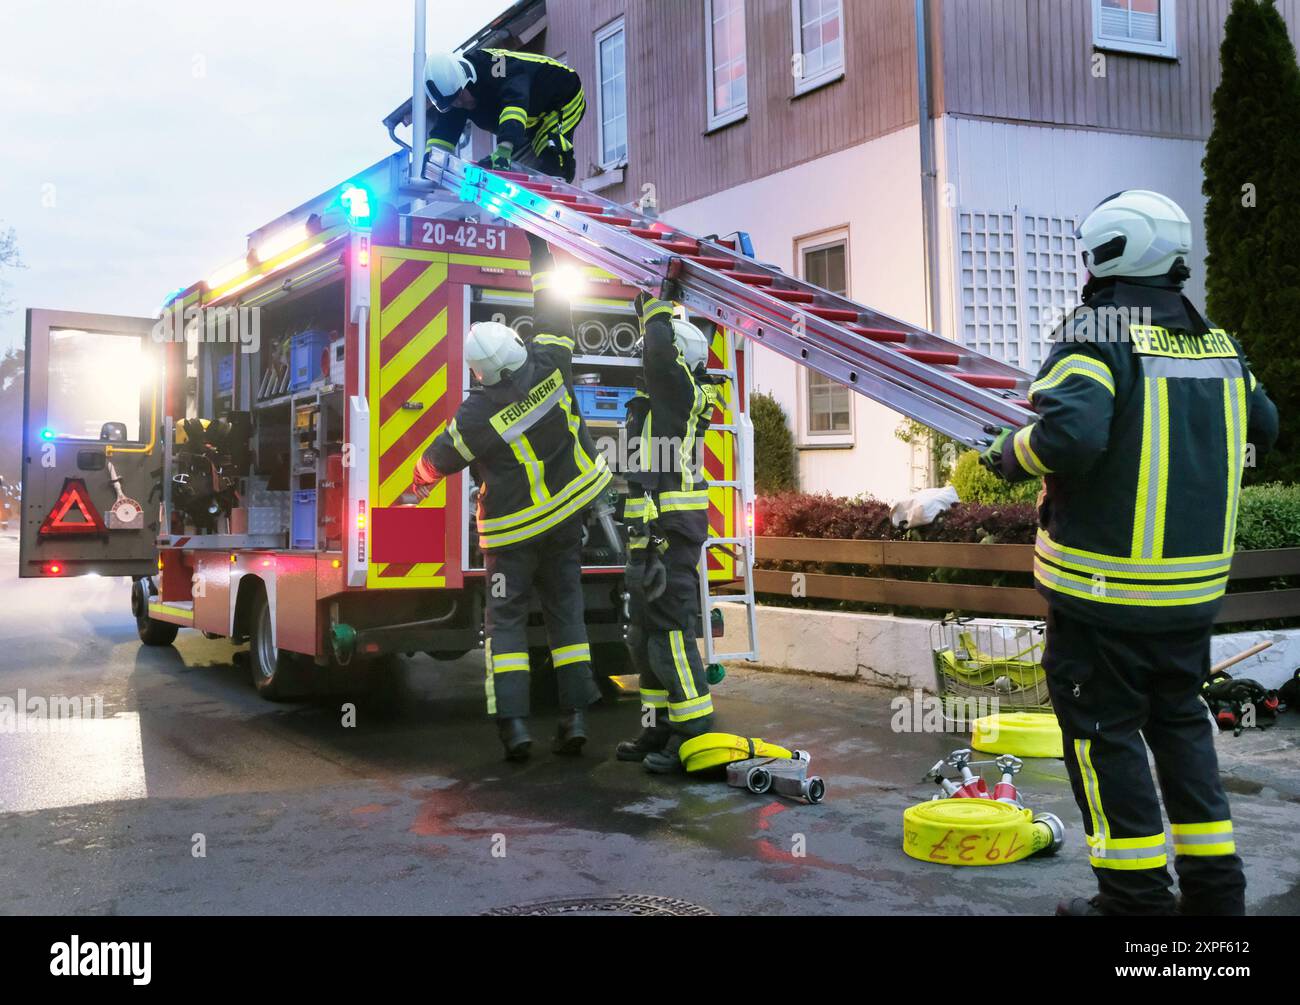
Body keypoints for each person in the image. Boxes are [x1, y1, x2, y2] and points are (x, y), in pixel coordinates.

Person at [981, 190, 1279, 916]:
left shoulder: (1096, 331)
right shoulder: (1217, 343)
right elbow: (1264, 426)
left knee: (1104, 737)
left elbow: (1073, 435)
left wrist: (1011, 452)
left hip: (1104, 601)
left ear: (1105, 254)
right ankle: (1216, 899)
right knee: (1182, 729)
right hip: (1190, 601)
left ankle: (1134, 901)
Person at [412, 232, 611, 761]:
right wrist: (540, 252)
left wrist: (417, 482)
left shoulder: (474, 415)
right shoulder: (551, 362)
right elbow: (553, 307)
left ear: (479, 373)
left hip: (511, 539)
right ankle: (573, 719)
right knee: (567, 616)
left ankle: (515, 729)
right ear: (518, 347)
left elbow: (435, 463)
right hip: (566, 524)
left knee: (506, 626)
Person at [615, 288, 727, 773]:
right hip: (648, 539)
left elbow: (662, 355)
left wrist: (658, 305)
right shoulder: (658, 402)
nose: (645, 361)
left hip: (670, 538)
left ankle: (692, 736)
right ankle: (658, 727)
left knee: (670, 638)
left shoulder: (680, 394)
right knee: (643, 639)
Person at [423, 48, 584, 182]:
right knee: (513, 172)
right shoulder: (454, 96)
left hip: (561, 96)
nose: (459, 104)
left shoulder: (496, 67)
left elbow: (514, 104)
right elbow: (443, 134)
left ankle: (561, 174)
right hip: (528, 123)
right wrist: (431, 164)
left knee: (553, 159)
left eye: (459, 96)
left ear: (467, 78)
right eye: (453, 102)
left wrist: (504, 149)